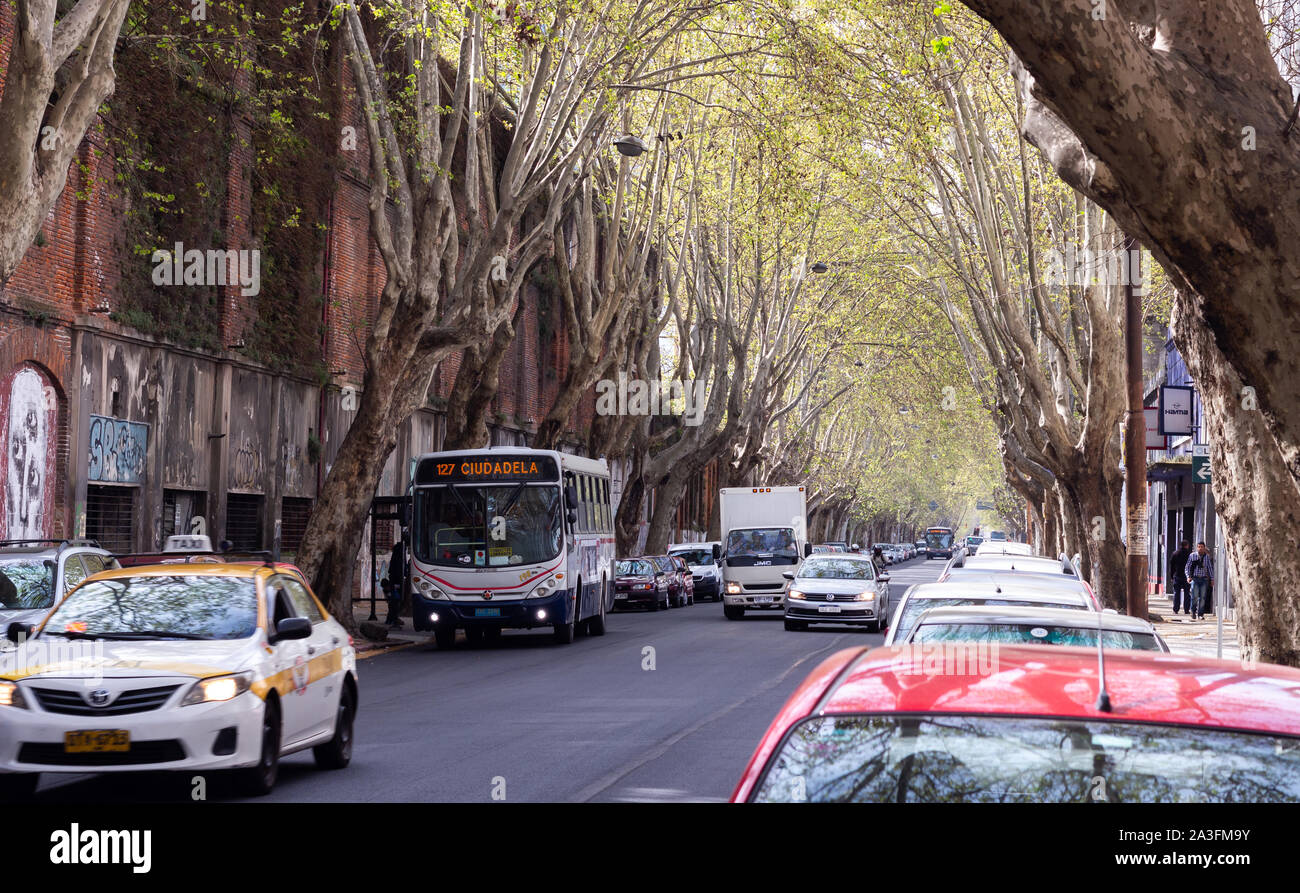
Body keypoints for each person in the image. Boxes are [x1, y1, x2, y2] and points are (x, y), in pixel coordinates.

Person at [1185, 541, 1215, 621]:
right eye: (1199, 546)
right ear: (1197, 547)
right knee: (1194, 597)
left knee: (1202, 598)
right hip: (1195, 579)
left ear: (1204, 548)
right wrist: (1188, 577)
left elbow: (1210, 568)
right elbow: (1187, 567)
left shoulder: (1206, 557)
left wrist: (1212, 579)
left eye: (1202, 547)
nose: (1200, 548)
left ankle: (1200, 614)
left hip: (1204, 579)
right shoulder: (1192, 556)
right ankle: (1193, 612)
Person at [384, 536, 407, 628]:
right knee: (395, 601)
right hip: (396, 582)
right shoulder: (399, 559)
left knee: (394, 601)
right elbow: (398, 571)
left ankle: (391, 618)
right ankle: (393, 618)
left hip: (395, 582)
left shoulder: (395, 557)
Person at [1168, 540, 1192, 615]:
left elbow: (1171, 566)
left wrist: (1171, 576)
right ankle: (1186, 610)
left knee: (1176, 593)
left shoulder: (1175, 553)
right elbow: (1191, 566)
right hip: (1186, 576)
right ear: (1187, 545)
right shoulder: (1189, 554)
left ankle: (1175, 609)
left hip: (1177, 576)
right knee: (1187, 593)